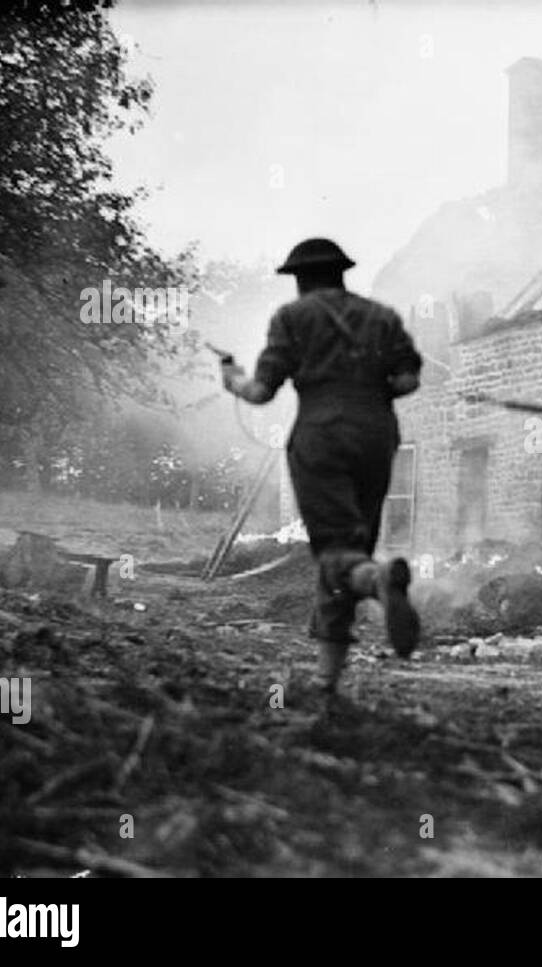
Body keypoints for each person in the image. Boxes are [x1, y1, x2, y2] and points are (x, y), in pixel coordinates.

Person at [220, 238, 422, 694]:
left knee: (335, 549)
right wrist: (369, 391)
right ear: (340, 272)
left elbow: (261, 393)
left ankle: (379, 581)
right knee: (352, 545)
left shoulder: (293, 318)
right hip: (376, 434)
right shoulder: (382, 316)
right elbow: (408, 379)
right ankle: (327, 680)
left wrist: (232, 378)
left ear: (300, 279)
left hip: (321, 432)